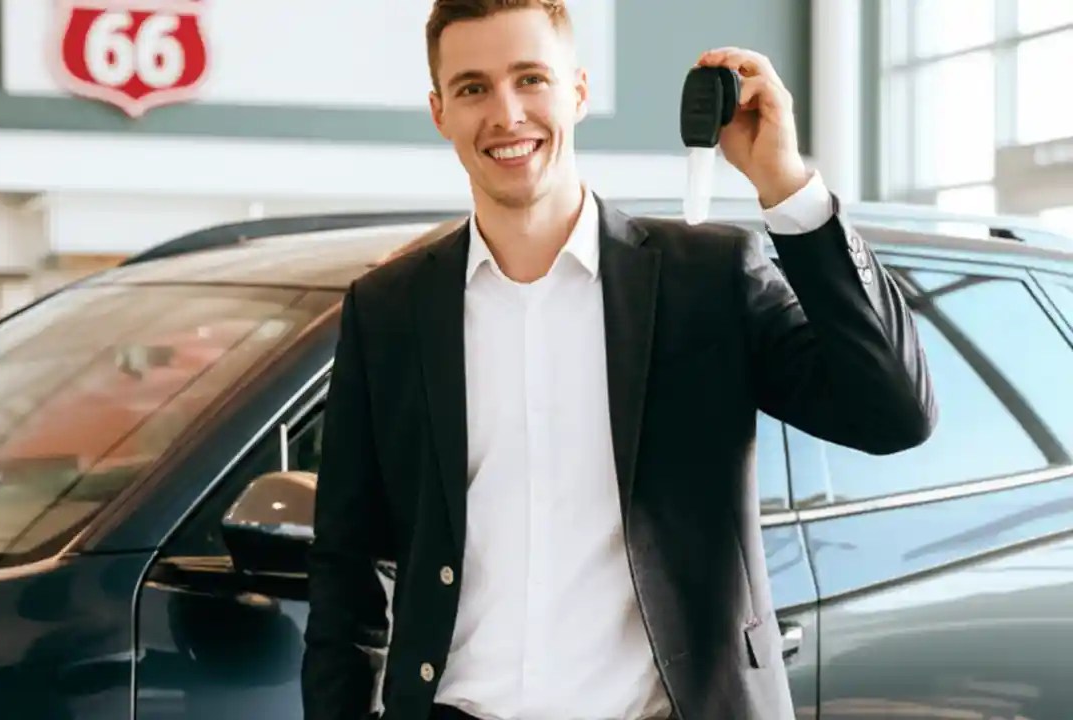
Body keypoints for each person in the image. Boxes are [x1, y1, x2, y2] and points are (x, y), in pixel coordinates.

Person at [301, 2, 937, 719]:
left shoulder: (705, 279)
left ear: (577, 90)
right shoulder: (388, 310)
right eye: (474, 87)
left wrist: (786, 183)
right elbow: (346, 570)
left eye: (530, 78)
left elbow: (893, 413)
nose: (507, 113)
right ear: (439, 110)